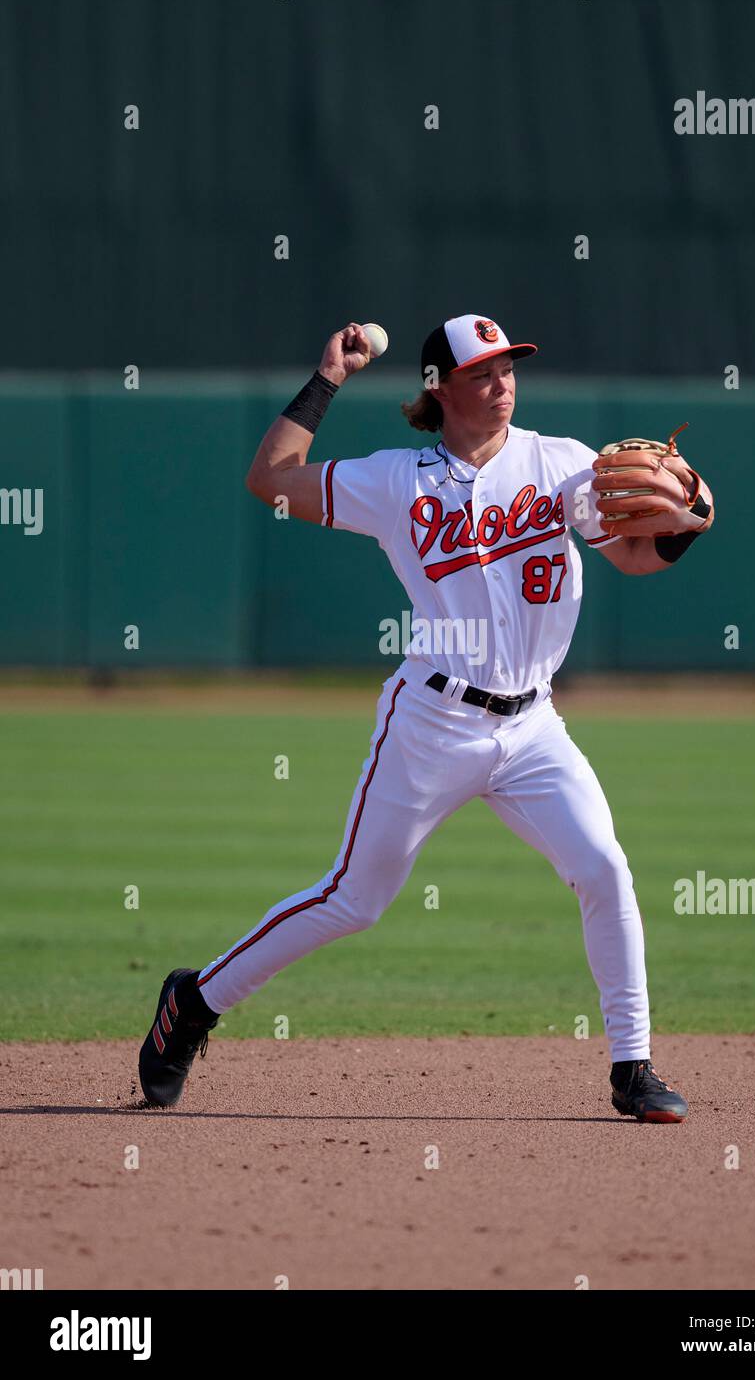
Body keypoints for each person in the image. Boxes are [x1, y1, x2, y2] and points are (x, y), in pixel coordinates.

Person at [138, 314, 714, 1122]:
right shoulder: (395, 479)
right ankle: (195, 1000)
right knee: (354, 900)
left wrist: (689, 521)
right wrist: (327, 379)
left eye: (509, 367)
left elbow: (633, 554)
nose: (502, 382)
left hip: (533, 727)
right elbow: (271, 479)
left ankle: (632, 1067)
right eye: (482, 372)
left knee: (604, 867)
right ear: (438, 388)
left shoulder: (562, 465)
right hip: (433, 722)